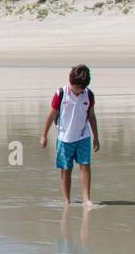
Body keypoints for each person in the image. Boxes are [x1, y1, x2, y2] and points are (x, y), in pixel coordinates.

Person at [40, 64, 101, 207]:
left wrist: (95, 137)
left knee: (85, 165)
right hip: (64, 138)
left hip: (83, 136)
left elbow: (91, 116)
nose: (78, 91)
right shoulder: (60, 93)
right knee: (66, 169)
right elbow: (51, 116)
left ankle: (86, 199)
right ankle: (66, 200)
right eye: (76, 88)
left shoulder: (88, 95)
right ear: (70, 81)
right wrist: (44, 135)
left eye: (81, 89)